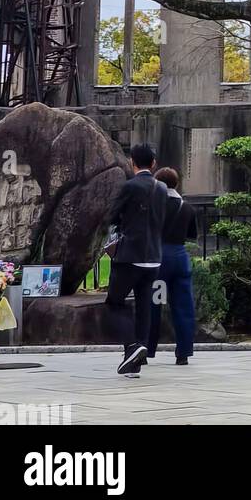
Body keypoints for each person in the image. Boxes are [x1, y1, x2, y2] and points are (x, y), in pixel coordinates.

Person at [104, 143, 168, 377]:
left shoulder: (130, 187)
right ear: (153, 163)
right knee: (143, 307)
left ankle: (132, 345)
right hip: (154, 257)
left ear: (132, 162)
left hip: (130, 255)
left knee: (114, 303)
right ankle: (134, 362)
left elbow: (111, 215)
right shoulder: (161, 188)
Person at [147, 167, 198, 366]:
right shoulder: (187, 207)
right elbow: (191, 235)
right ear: (176, 184)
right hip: (180, 258)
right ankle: (183, 352)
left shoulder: (154, 205)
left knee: (153, 305)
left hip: (158, 259)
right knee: (183, 307)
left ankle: (147, 349)